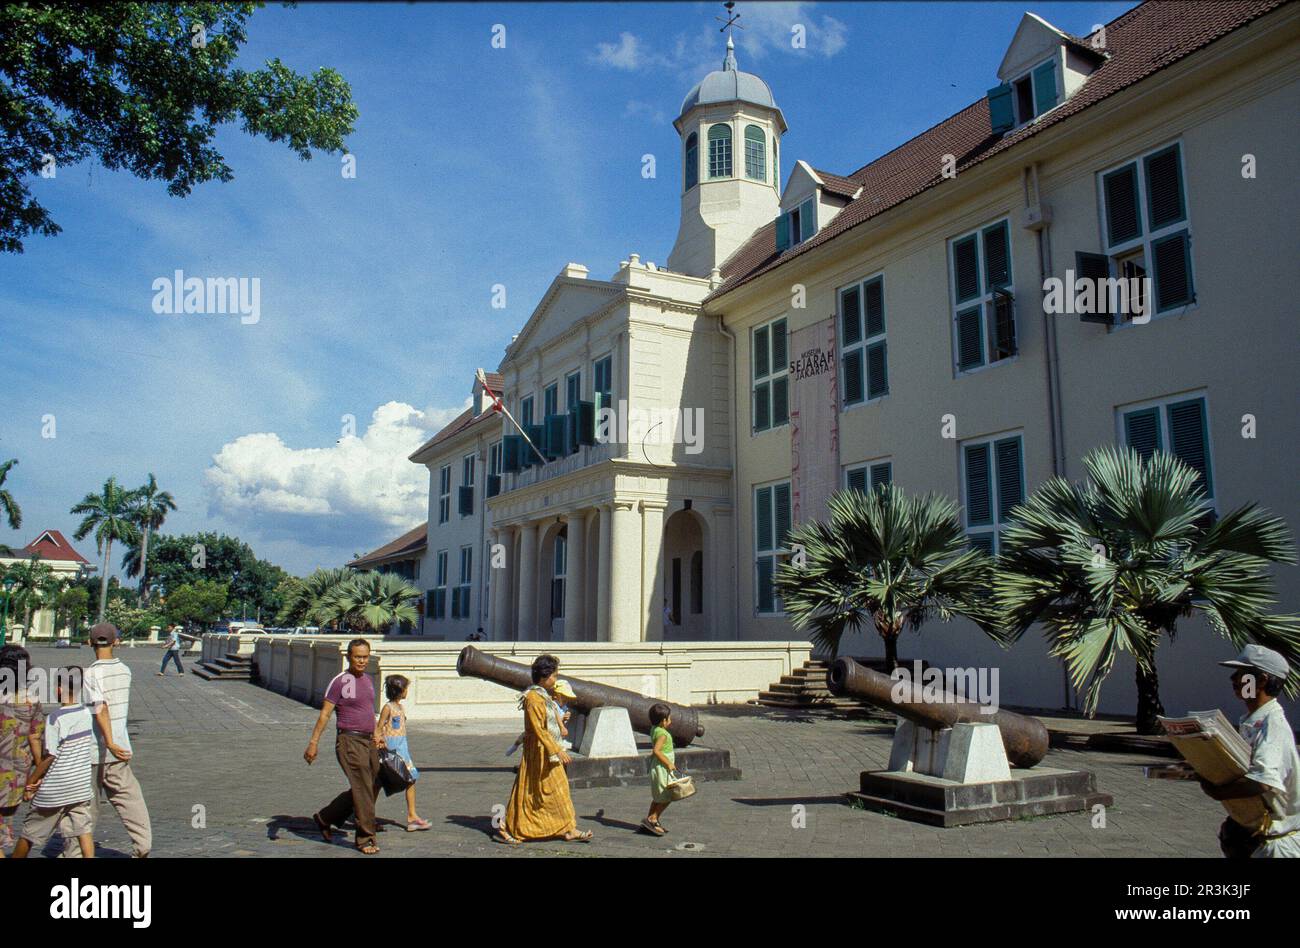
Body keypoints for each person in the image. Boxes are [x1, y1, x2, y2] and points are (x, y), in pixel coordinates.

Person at [1198, 644, 1300, 858]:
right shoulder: (1254, 721)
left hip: (1275, 847)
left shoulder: (1272, 725)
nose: (1233, 679)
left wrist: (1219, 792)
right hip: (1255, 842)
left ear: (1262, 680)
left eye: (1242, 674)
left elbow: (1263, 781)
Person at [65, 622, 150, 858]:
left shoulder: (91, 673)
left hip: (94, 750)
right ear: (116, 642)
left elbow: (100, 708)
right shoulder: (125, 670)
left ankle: (73, 853)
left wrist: (108, 741)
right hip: (120, 749)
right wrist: (115, 743)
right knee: (130, 800)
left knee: (84, 807)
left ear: (90, 642)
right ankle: (143, 845)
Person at [495, 654, 591, 845]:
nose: (556, 680)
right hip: (539, 752)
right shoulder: (533, 698)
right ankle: (511, 827)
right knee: (530, 791)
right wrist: (557, 749)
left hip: (547, 751)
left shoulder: (541, 696)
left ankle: (567, 828)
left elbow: (547, 723)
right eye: (554, 675)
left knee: (558, 789)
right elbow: (538, 728)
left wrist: (560, 724)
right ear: (545, 676)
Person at [306, 639, 384, 854]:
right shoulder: (340, 681)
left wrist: (378, 733)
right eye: (358, 656)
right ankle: (365, 839)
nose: (362, 661)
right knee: (363, 789)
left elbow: (369, 711)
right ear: (349, 656)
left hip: (369, 741)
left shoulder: (368, 680)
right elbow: (325, 714)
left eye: (365, 657)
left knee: (373, 783)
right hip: (349, 741)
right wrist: (313, 743)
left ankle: (325, 817)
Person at [11, 667, 95, 859]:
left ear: (59, 689)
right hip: (80, 785)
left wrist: (32, 781)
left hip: (56, 788)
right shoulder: (85, 713)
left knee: (30, 833)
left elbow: (50, 756)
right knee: (83, 830)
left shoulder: (55, 718)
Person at [0, 645, 44, 855]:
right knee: (5, 816)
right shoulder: (31, 698)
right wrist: (38, 771)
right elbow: (36, 736)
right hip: (19, 769)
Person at [377, 674, 430, 832]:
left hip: (402, 748)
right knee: (379, 781)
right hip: (392, 749)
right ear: (399, 691)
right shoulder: (388, 707)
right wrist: (379, 741)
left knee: (411, 778)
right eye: (405, 688)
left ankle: (412, 815)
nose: (407, 691)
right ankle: (366, 815)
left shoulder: (400, 707)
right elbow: (379, 727)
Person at [641, 703, 678, 836]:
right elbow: (656, 750)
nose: (670, 721)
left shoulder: (654, 729)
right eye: (668, 718)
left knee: (658, 797)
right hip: (662, 767)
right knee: (667, 795)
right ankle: (653, 818)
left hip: (658, 766)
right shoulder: (663, 734)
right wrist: (668, 763)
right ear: (663, 721)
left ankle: (650, 820)